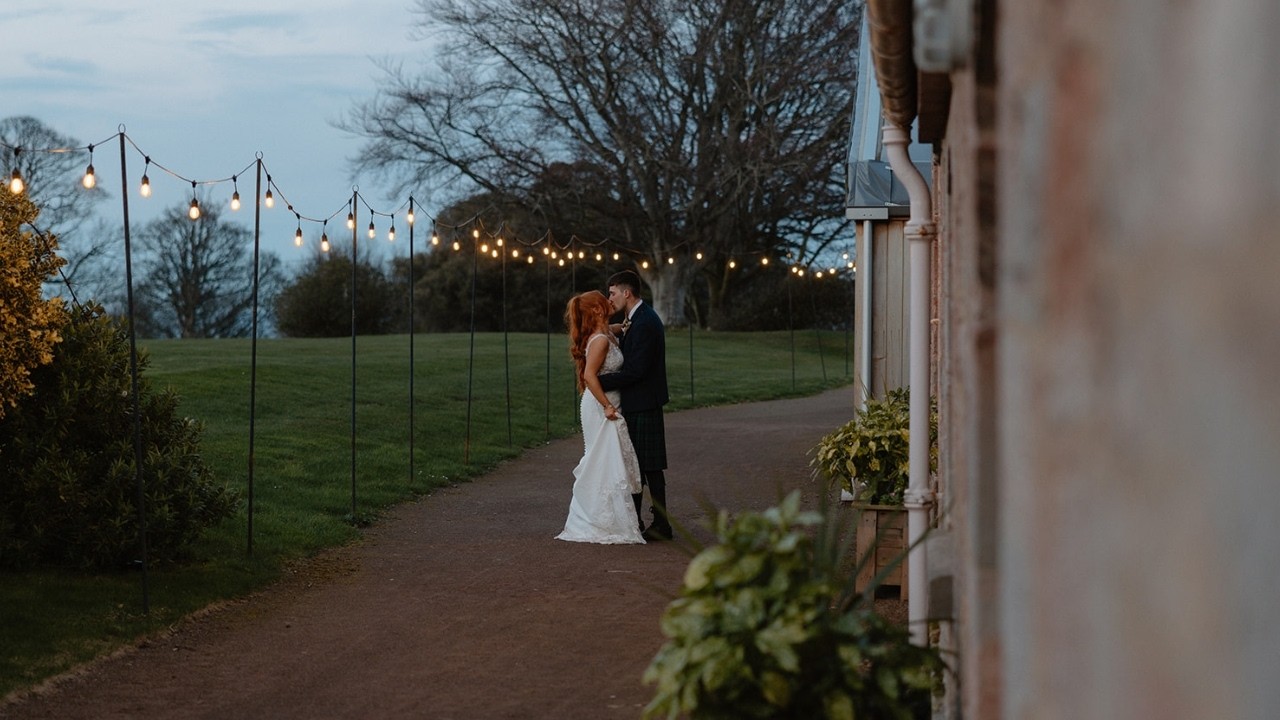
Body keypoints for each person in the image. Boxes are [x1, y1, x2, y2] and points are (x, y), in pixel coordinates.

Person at [555, 290, 646, 545]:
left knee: (609, 458)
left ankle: (609, 517)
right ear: (596, 310)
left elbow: (615, 328)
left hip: (610, 403)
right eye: (603, 300)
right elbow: (589, 377)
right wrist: (607, 406)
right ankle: (596, 519)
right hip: (600, 406)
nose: (609, 301)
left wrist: (625, 324)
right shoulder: (600, 341)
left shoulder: (607, 333)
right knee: (602, 459)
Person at [599, 270, 672, 541]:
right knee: (641, 464)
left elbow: (636, 371)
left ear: (626, 293)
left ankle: (657, 525)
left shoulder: (645, 322)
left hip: (643, 402)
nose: (610, 298)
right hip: (641, 400)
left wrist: (598, 382)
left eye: (613, 292)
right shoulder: (637, 319)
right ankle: (643, 521)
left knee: (645, 465)